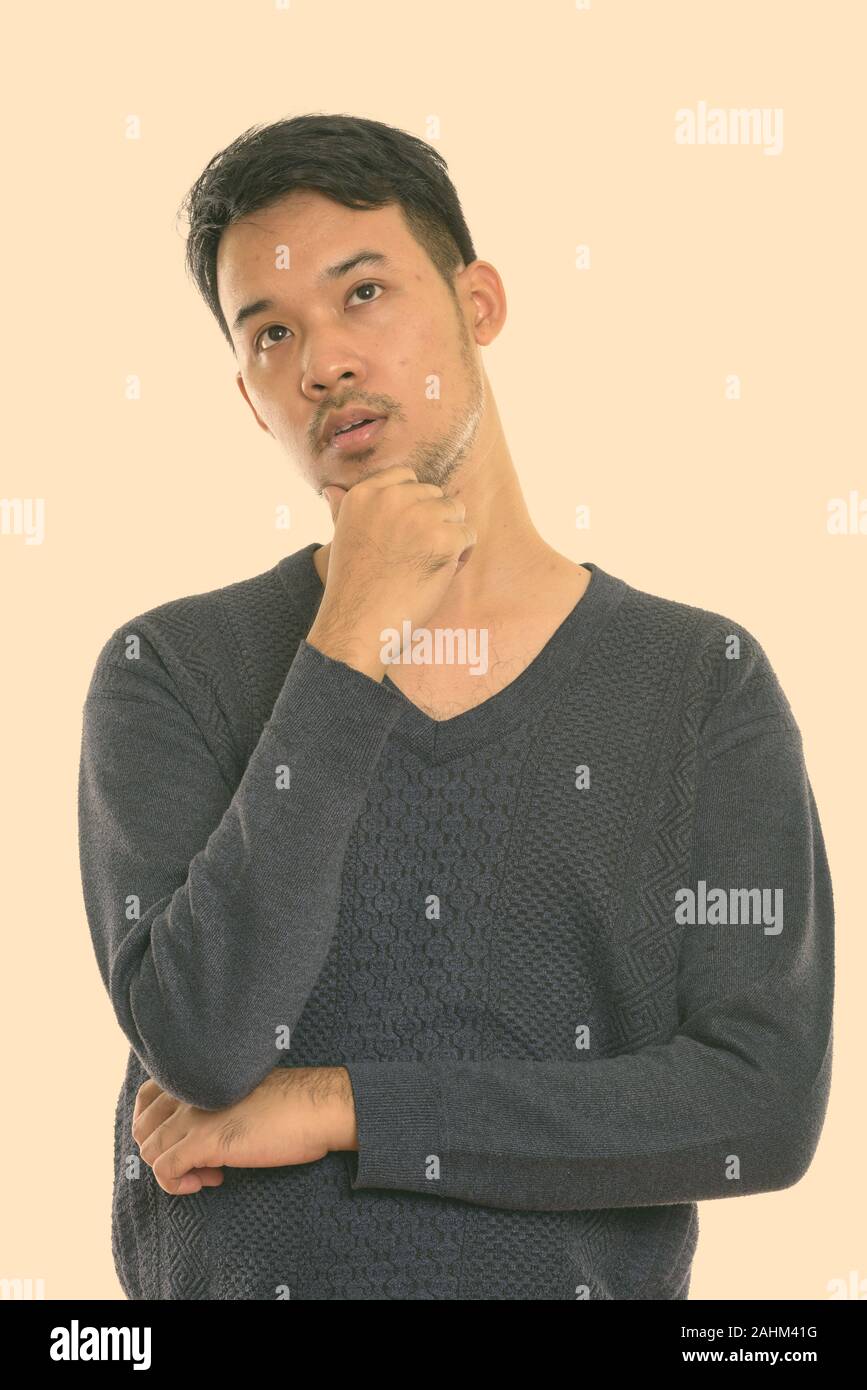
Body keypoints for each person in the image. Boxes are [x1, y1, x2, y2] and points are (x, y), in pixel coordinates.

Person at [77, 113, 834, 1301]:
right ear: (248, 395)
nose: (322, 359)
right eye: (272, 332)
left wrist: (342, 1106)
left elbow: (760, 1104)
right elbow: (206, 1039)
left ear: (478, 304)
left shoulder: (700, 682)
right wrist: (349, 640)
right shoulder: (169, 668)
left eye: (363, 292)